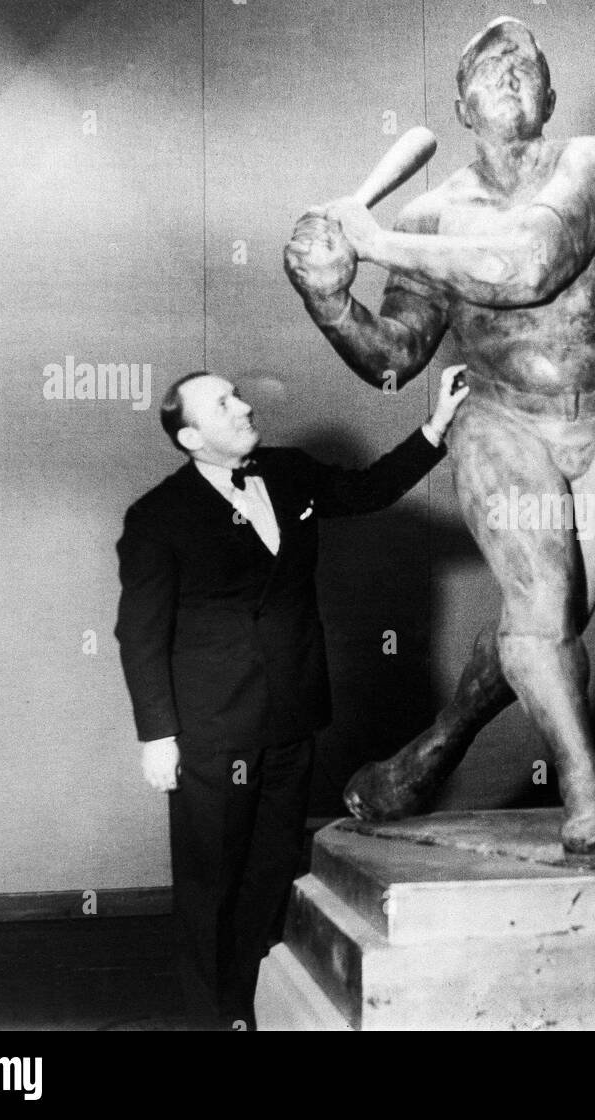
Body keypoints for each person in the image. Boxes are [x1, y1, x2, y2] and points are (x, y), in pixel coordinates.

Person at [282, 17, 595, 864]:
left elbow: (533, 263)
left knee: (543, 618)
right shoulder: (432, 211)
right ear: (460, 105)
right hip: (500, 418)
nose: (510, 76)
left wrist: (372, 241)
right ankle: (588, 796)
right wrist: (333, 298)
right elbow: (394, 359)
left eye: (525, 65)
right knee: (543, 617)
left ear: (551, 93)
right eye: (489, 69)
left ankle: (428, 754)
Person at [114, 366, 466, 1029]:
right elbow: (139, 635)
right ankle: (211, 1017)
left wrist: (437, 425)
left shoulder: (289, 471)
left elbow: (368, 491)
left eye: (239, 394)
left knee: (273, 868)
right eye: (225, 403)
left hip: (292, 719)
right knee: (209, 882)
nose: (245, 405)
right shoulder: (157, 518)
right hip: (211, 731)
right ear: (191, 436)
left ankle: (255, 1004)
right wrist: (156, 736)